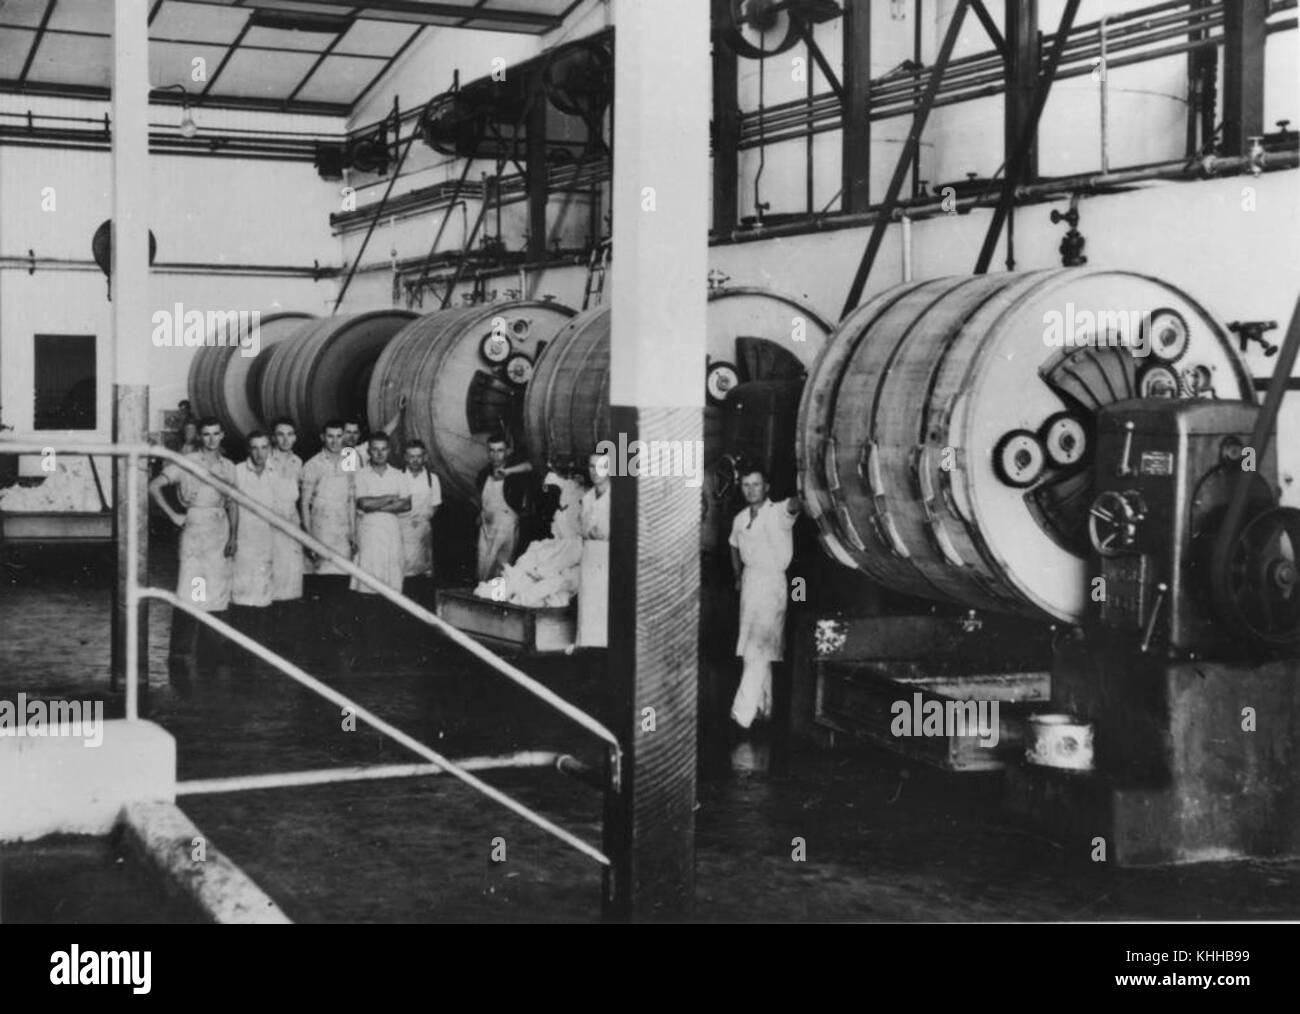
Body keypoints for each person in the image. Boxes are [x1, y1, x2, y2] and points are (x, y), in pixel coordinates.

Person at [148, 417, 237, 666]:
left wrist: (234, 537)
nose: (211, 439)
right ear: (200, 436)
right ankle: (180, 652)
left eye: (215, 434)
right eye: (206, 434)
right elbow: (154, 486)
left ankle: (211, 651)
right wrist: (174, 515)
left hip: (219, 528)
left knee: (217, 590)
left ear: (222, 436)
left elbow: (234, 504)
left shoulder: (228, 466)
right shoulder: (188, 462)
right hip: (195, 527)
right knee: (192, 589)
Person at [728, 466, 800, 730]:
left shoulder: (777, 513)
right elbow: (733, 545)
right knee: (753, 648)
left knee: (758, 649)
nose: (750, 490)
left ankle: (741, 715)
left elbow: (794, 505)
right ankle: (763, 708)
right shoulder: (740, 518)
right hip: (750, 583)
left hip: (771, 584)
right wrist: (738, 576)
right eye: (746, 485)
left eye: (756, 484)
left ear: (766, 487)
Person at [351, 433, 413, 658]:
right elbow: (363, 503)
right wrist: (389, 498)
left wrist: (376, 503)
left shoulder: (398, 475)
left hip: (392, 534)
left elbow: (406, 504)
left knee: (392, 586)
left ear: (389, 450)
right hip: (369, 534)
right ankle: (368, 645)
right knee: (369, 587)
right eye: (375, 449)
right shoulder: (360, 475)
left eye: (383, 449)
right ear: (368, 452)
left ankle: (387, 646)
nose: (379, 453)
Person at [301, 420, 356, 642]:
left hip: (343, 527)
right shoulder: (313, 464)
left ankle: (339, 629)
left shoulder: (350, 459)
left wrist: (354, 531)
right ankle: (323, 633)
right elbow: (304, 504)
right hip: (321, 526)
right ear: (323, 437)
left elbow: (352, 498)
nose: (335, 441)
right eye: (330, 436)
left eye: (339, 436)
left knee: (342, 578)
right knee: (323, 580)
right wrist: (309, 536)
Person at [230, 431, 278, 641]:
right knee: (241, 592)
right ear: (248, 449)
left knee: (263, 591)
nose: (260, 453)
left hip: (267, 541)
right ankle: (239, 644)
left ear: (270, 449)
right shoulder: (238, 472)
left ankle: (258, 645)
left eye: (264, 448)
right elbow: (232, 506)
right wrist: (232, 537)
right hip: (244, 540)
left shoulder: (275, 473)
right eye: (255, 448)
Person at [475, 436, 533, 582]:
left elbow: (531, 466)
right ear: (487, 452)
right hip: (487, 527)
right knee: (483, 567)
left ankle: (497, 601)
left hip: (506, 528)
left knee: (502, 569)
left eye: (500, 451)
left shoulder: (515, 475)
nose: (496, 455)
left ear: (507, 452)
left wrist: (508, 472)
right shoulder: (483, 474)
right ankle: (483, 598)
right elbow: (481, 498)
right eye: (492, 451)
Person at [268, 417, 305, 606]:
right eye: (280, 435)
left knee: (290, 581)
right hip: (268, 526)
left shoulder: (298, 463)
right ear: (273, 438)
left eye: (290, 435)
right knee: (269, 582)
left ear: (295, 438)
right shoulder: (264, 460)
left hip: (291, 527)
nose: (285, 440)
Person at [400, 439, 441, 603]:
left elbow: (435, 505)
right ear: (405, 457)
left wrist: (423, 519)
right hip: (403, 530)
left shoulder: (433, 479)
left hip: (423, 531)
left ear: (425, 457)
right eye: (411, 456)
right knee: (404, 572)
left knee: (424, 572)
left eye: (418, 456)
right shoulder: (399, 477)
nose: (415, 460)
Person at [576, 450, 611, 648]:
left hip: (607, 558)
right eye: (591, 466)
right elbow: (582, 529)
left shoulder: (616, 498)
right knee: (587, 608)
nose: (595, 472)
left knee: (603, 608)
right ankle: (586, 649)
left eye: (601, 466)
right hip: (589, 557)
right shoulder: (587, 497)